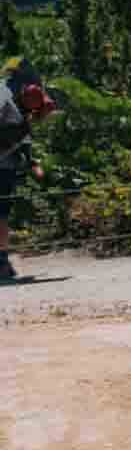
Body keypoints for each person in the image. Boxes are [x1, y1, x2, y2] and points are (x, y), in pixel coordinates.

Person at [0, 62, 56, 284]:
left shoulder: (15, 100)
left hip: (5, 166)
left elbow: (21, 138)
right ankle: (2, 263)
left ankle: (2, 262)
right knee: (1, 215)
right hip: (3, 166)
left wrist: (32, 161)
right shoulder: (7, 100)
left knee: (1, 214)